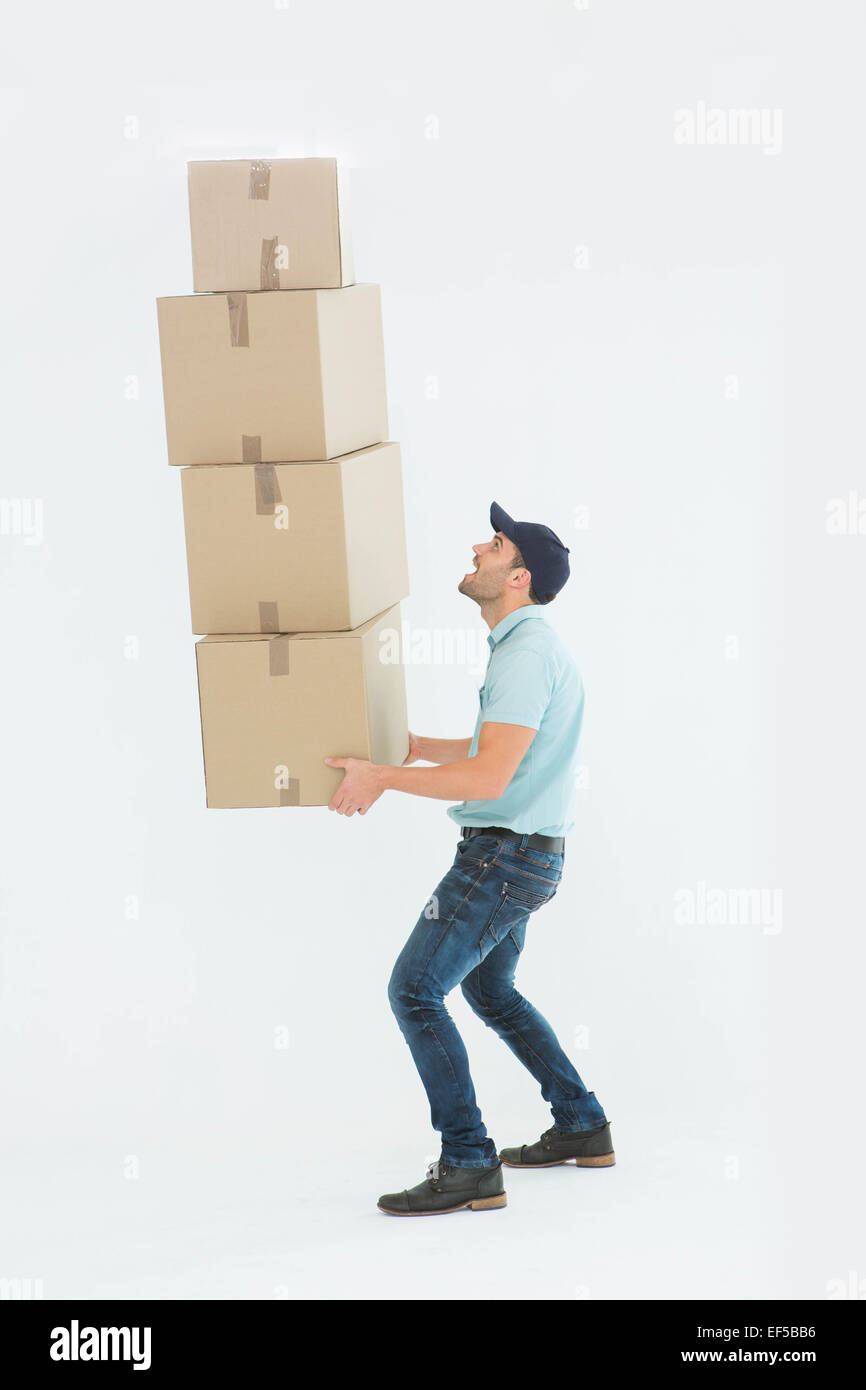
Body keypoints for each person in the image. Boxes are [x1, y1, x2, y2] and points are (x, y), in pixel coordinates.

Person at [325, 501, 614, 1216]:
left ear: (518, 577)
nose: (478, 549)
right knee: (490, 992)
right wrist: (418, 747)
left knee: (415, 991)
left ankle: (468, 1164)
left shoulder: (524, 655)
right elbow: (499, 754)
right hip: (526, 857)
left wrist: (383, 779)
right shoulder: (526, 647)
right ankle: (582, 1122)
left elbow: (489, 782)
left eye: (494, 545)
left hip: (503, 860)